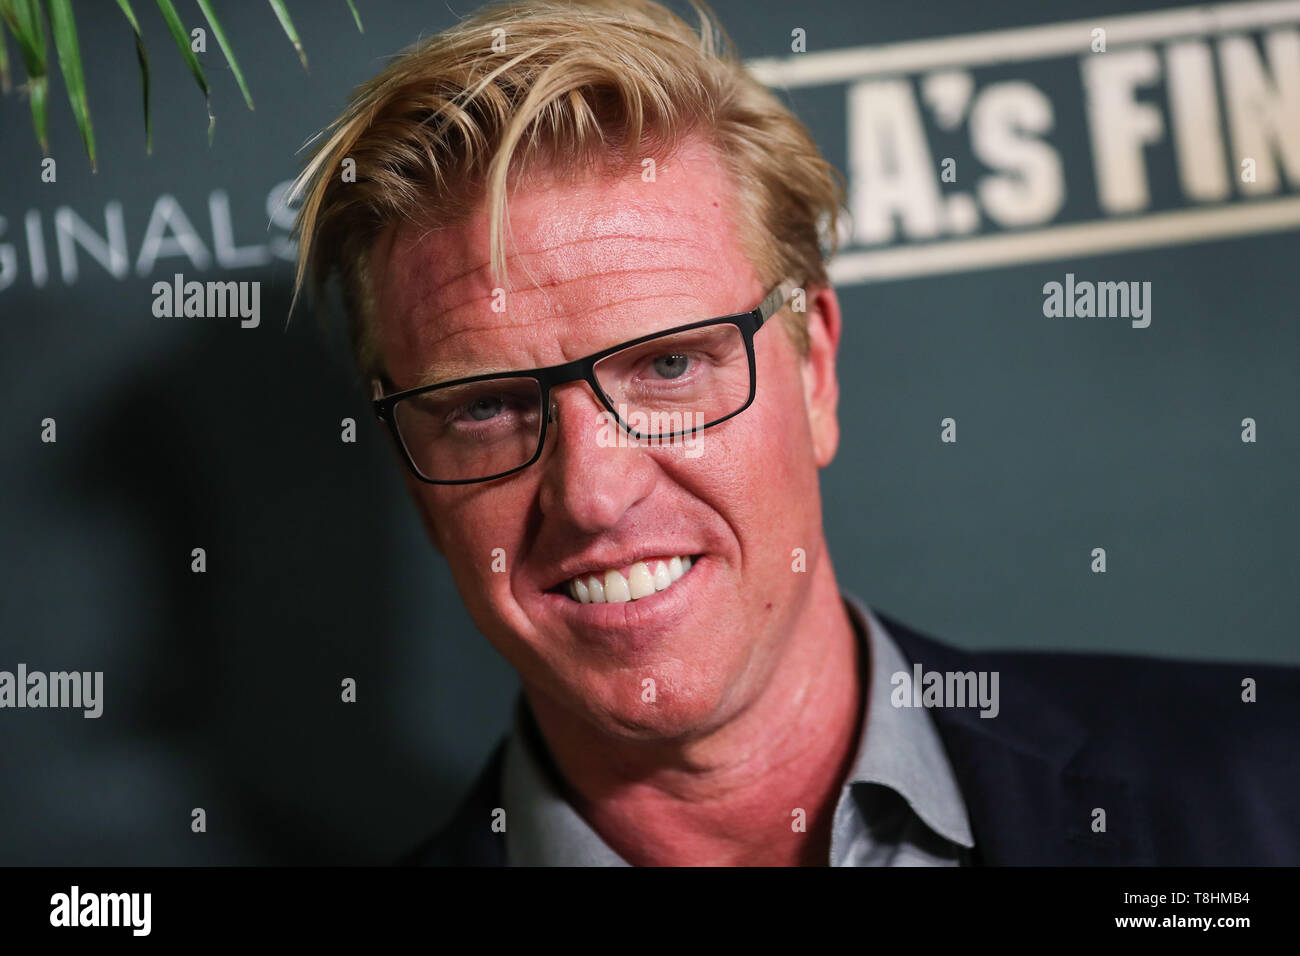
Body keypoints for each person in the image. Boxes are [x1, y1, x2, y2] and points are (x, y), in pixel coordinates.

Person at [289, 0, 1300, 866]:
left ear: (812, 366)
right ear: (414, 476)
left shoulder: (1265, 791)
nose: (593, 493)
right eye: (487, 405)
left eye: (670, 364)